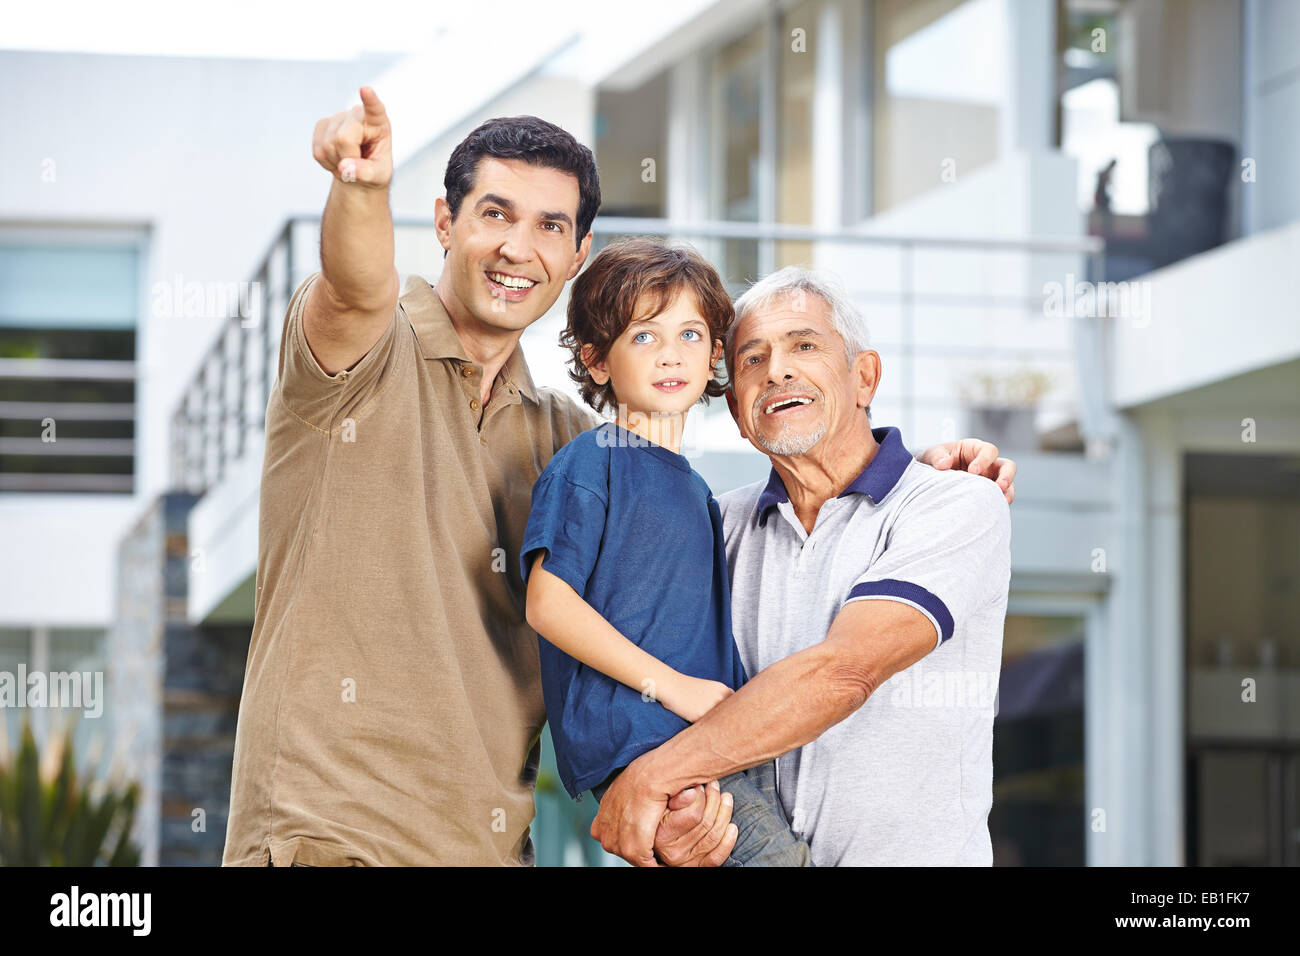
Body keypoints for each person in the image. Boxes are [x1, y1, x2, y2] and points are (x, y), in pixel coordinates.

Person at [223, 85, 1015, 866]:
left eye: (549, 226)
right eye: (493, 214)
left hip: (485, 846)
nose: (515, 247)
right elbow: (356, 285)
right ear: (443, 222)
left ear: (575, 256)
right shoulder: (361, 364)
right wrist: (359, 190)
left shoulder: (572, 438)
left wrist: (922, 471)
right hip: (329, 838)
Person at [590, 267, 1013, 866]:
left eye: (804, 345)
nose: (777, 370)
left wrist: (656, 776)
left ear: (864, 377)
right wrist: (685, 826)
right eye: (752, 359)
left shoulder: (954, 502)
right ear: (737, 412)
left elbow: (843, 674)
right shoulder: (714, 529)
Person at [521, 238, 810, 866]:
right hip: (651, 745)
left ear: (713, 358)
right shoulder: (590, 464)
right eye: (644, 337)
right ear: (597, 360)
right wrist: (674, 690)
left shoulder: (697, 489)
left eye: (690, 335)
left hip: (709, 741)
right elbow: (547, 604)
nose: (671, 354)